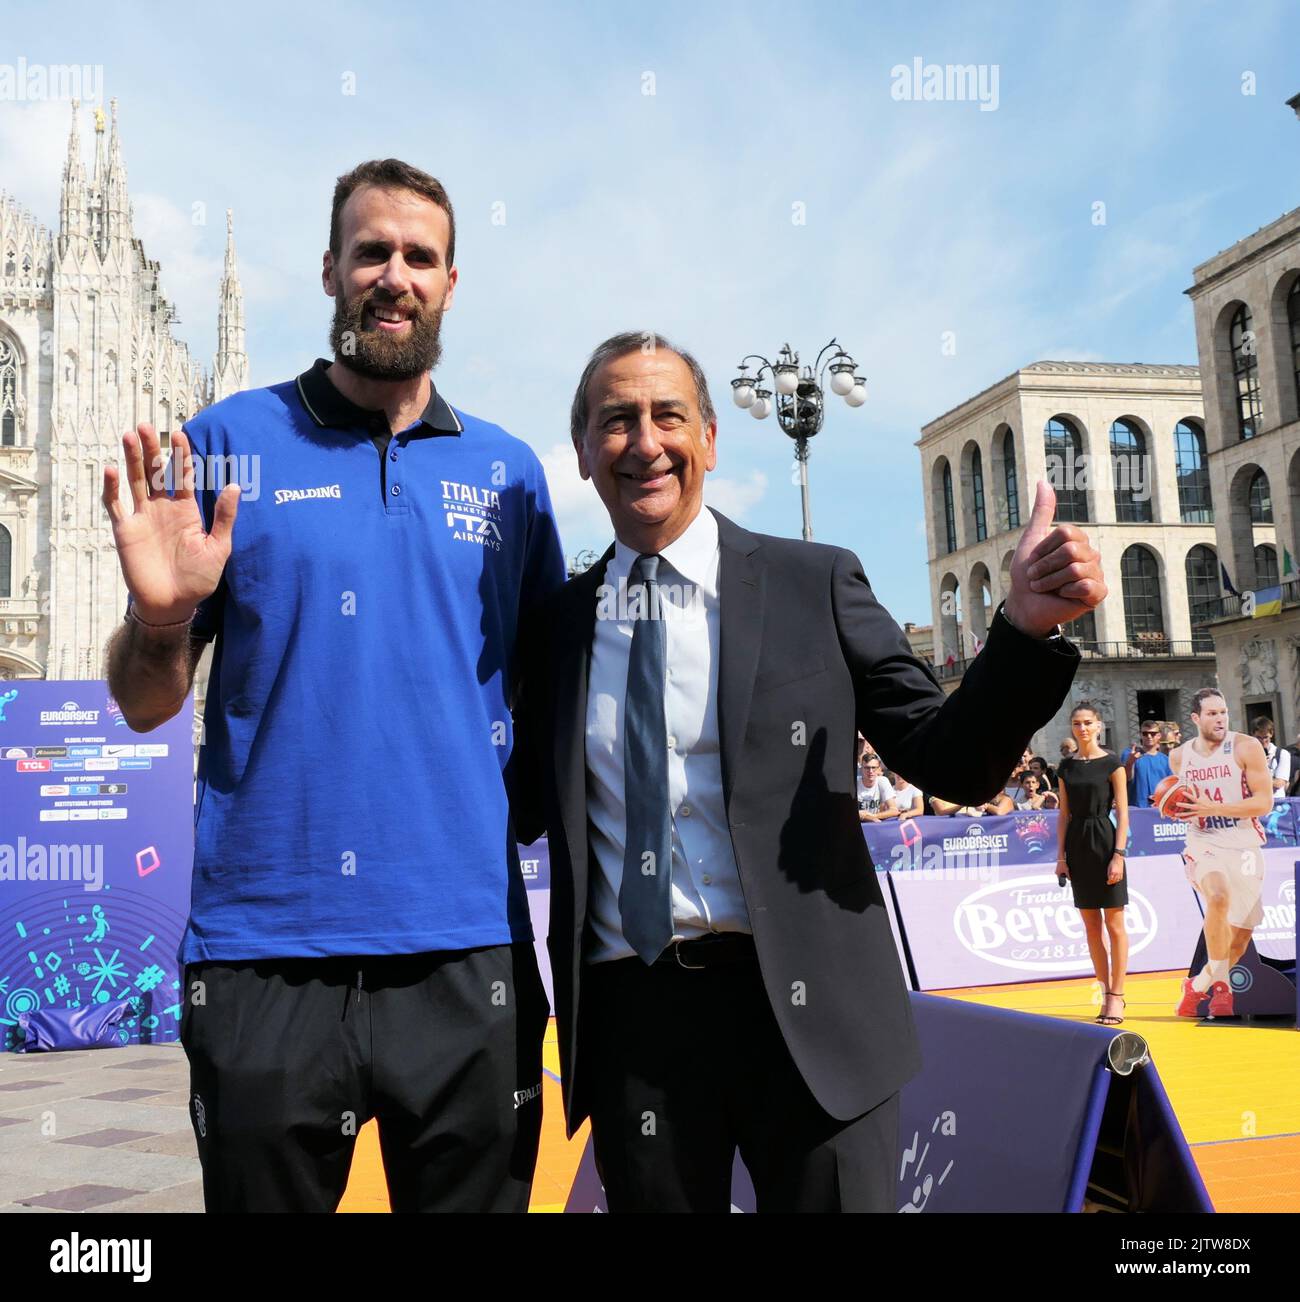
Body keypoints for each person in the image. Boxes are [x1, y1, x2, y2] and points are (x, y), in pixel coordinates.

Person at [512, 330, 1103, 1212]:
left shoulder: (813, 582)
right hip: (635, 1030)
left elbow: (950, 760)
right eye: (616, 421)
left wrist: (1019, 632)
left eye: (668, 416)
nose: (645, 442)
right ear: (585, 453)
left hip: (814, 1022)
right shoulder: (555, 627)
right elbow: (509, 800)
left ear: (710, 437)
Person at [101, 160, 564, 1212]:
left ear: (451, 281)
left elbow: (549, 694)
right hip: (264, 955)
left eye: (418, 256)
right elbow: (141, 701)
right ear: (328, 271)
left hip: (467, 953)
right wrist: (164, 616)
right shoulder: (227, 444)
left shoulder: (509, 474)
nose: (392, 276)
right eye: (370, 252)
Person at [1171, 691, 1273, 1018]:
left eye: (1224, 712)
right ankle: (1222, 988)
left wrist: (1214, 806)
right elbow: (1180, 800)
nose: (1220, 719)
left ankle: (1198, 984)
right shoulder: (1179, 756)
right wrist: (1171, 807)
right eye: (1212, 713)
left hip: (1243, 841)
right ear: (1195, 719)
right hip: (1204, 840)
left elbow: (1263, 803)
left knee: (1241, 935)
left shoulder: (1246, 747)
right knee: (1217, 896)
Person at [1057, 701, 1130, 1025]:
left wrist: (1119, 855)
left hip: (1105, 839)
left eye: (1088, 722)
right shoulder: (1066, 767)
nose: (1082, 728)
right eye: (1077, 723)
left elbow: (1124, 814)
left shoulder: (1113, 763)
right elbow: (1062, 815)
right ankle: (1103, 993)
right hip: (1077, 842)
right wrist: (1060, 857)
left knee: (1115, 924)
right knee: (1090, 926)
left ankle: (1117, 996)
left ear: (1099, 726)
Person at [1128, 719, 1172, 810]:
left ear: (1159, 735)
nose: (1149, 736)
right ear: (1140, 735)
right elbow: (1126, 778)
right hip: (1136, 809)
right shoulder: (1130, 755)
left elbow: (1170, 786)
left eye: (1153, 733)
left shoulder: (1166, 760)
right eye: (1145, 733)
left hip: (1160, 809)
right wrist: (1130, 762)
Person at [1252, 715, 1292, 803]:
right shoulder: (1248, 755)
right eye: (1259, 737)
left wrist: (1261, 769)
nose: (1262, 741)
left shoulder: (1282, 754)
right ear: (1253, 735)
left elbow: (1279, 783)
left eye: (1265, 737)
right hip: (1256, 804)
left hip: (1276, 804)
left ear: (1271, 734)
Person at [858, 753, 897, 822]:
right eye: (867, 768)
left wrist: (873, 816)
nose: (870, 771)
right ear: (861, 769)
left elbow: (894, 810)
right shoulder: (854, 783)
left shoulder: (883, 781)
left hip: (875, 822)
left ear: (879, 768)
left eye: (873, 768)